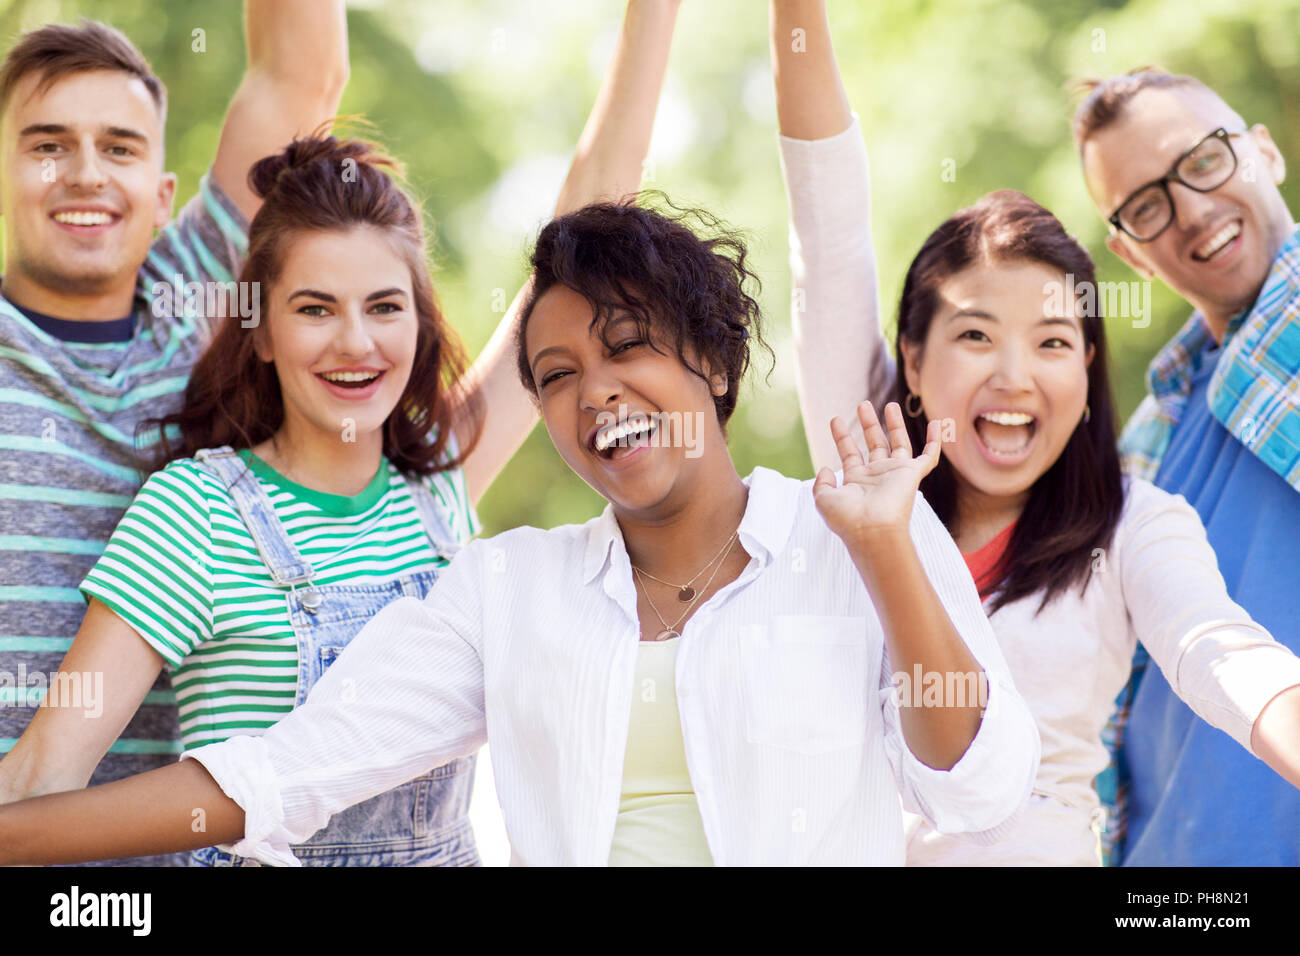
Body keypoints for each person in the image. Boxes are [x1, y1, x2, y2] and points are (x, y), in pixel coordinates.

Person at [0, 197, 1042, 867]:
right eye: (554, 376)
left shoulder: (861, 536)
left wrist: (883, 554)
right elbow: (283, 773)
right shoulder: (509, 586)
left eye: (628, 346)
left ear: (715, 362)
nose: (596, 394)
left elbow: (978, 786)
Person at [0, 0, 686, 865]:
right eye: (315, 309)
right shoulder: (191, 513)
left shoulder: (437, 485)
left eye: (385, 308)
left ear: (420, 325)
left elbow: (586, 225)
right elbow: (38, 783)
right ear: (262, 328)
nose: (356, 343)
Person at [769, 0, 1300, 864]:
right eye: (976, 335)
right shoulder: (865, 480)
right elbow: (824, 223)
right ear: (911, 359)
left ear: (1086, 371)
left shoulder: (1134, 523)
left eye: (1054, 343)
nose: (1014, 377)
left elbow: (1223, 656)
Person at [0, 7, 349, 865]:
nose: (85, 173)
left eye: (119, 147)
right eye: (48, 145)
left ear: (162, 193)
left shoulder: (198, 297)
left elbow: (301, 71)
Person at [1074, 67, 1300, 866]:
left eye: (1204, 160)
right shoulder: (1144, 440)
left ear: (1263, 151)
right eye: (1146, 206)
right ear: (1130, 253)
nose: (1193, 211)